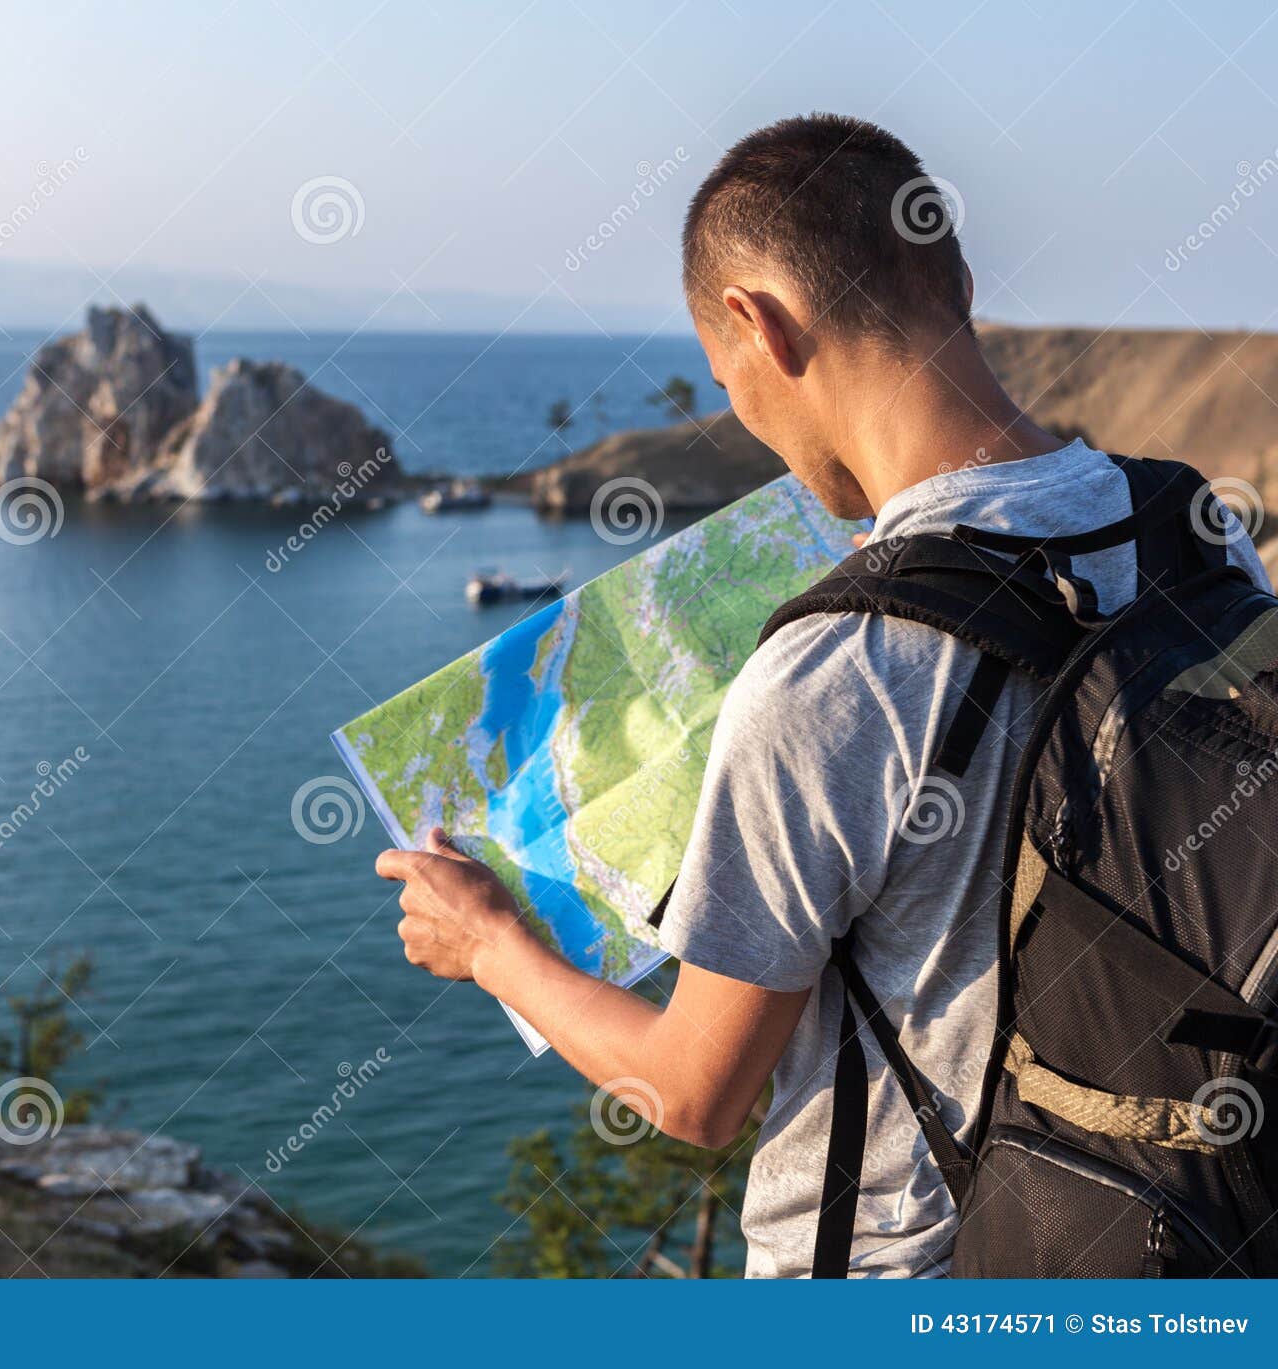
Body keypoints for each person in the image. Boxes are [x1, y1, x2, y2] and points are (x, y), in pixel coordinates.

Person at [374, 113, 1270, 1277]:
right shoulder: (1192, 529)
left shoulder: (834, 671)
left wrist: (488, 943)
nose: (742, 416)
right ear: (950, 274)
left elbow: (696, 1092)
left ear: (756, 322)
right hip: (1155, 1234)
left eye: (724, 376)